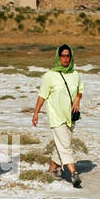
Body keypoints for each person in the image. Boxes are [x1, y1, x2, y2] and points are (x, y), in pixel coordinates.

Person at [31, 44, 84, 188]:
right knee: (65, 145)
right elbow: (42, 95)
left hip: (70, 117)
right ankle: (74, 174)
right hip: (56, 116)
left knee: (60, 145)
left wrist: (78, 99)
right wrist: (36, 112)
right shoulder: (50, 75)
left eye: (68, 56)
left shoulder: (75, 74)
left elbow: (80, 90)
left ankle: (51, 170)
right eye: (63, 56)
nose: (65, 59)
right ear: (58, 57)